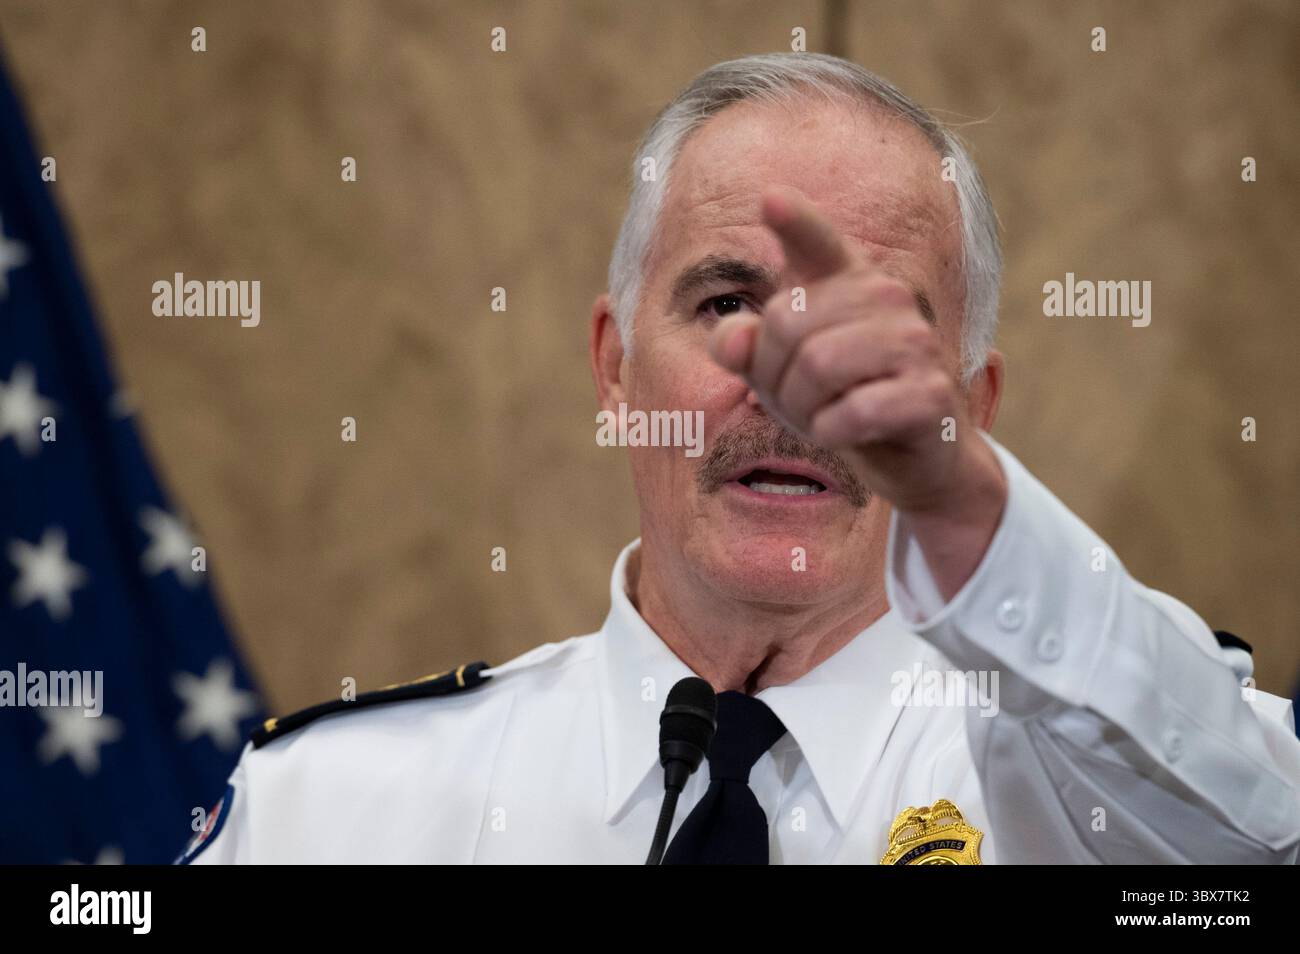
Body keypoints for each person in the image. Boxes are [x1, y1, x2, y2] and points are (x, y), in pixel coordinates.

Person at [181, 53, 1300, 865]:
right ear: (615, 372)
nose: (793, 384)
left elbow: (1256, 831)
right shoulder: (327, 810)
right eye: (729, 305)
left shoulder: (1084, 784)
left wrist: (968, 515)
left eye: (867, 334)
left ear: (969, 417)